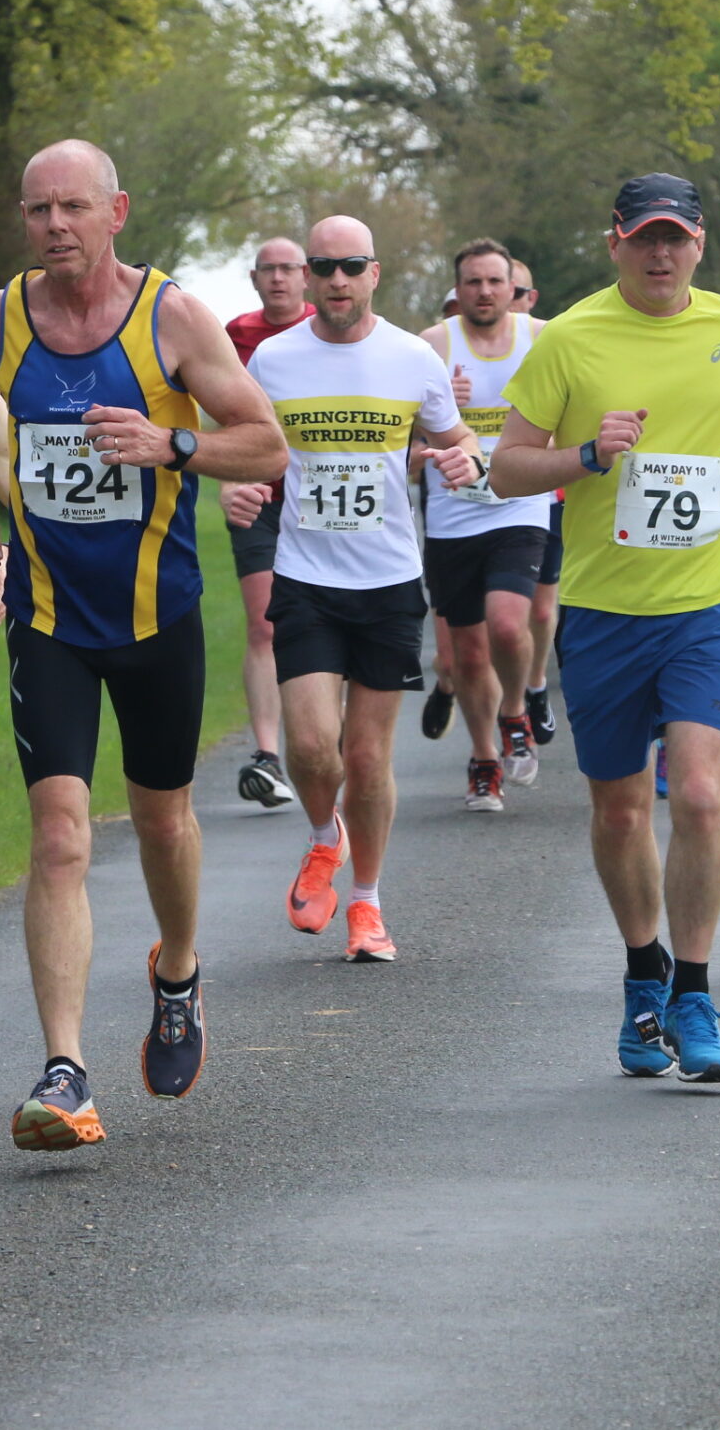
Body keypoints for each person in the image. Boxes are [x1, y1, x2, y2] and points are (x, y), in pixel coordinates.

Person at [0, 140, 287, 1151]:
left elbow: (266, 441)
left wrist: (170, 443)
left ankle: (176, 969)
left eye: (74, 207)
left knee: (161, 820)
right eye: (38, 209)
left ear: (117, 211)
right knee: (59, 834)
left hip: (156, 616)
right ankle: (65, 1071)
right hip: (47, 617)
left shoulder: (171, 318)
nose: (55, 226)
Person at [491, 173, 720, 1085]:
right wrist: (587, 454)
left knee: (700, 794)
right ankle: (643, 974)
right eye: (644, 237)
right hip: (604, 610)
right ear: (615, 242)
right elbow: (506, 468)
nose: (661, 253)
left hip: (712, 602)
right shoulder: (572, 337)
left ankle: (694, 994)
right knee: (621, 808)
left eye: (677, 237)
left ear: (700, 244)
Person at [258, 216, 482, 959]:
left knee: (365, 757)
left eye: (351, 266)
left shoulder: (412, 357)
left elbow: (458, 437)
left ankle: (366, 902)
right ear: (308, 276)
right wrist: (242, 485)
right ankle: (325, 836)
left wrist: (466, 459)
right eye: (324, 267)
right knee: (311, 745)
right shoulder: (273, 359)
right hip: (306, 576)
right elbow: (247, 443)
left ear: (374, 273)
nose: (337, 280)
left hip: (388, 580)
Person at [420, 238, 547, 810]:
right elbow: (398, 427)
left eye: (495, 281)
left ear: (512, 288)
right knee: (468, 656)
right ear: (458, 289)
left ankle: (515, 710)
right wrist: (438, 405)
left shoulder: (541, 338)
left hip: (519, 503)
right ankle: (483, 759)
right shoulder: (432, 346)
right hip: (453, 513)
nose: (485, 292)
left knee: (507, 624)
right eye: (473, 282)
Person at [219, 238, 313, 810]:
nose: (278, 278)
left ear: (305, 277)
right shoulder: (235, 335)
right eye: (267, 270)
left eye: (288, 269)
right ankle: (267, 756)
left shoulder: (328, 328)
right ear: (254, 280)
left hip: (319, 499)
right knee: (264, 624)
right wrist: (228, 479)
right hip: (257, 496)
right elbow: (217, 417)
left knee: (324, 617)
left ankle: (325, 732)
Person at [511, 256, 563, 751]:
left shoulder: (551, 337)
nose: (506, 300)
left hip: (545, 497)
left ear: (530, 297)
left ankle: (536, 685)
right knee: (495, 625)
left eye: (516, 292)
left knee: (542, 613)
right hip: (472, 504)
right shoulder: (450, 344)